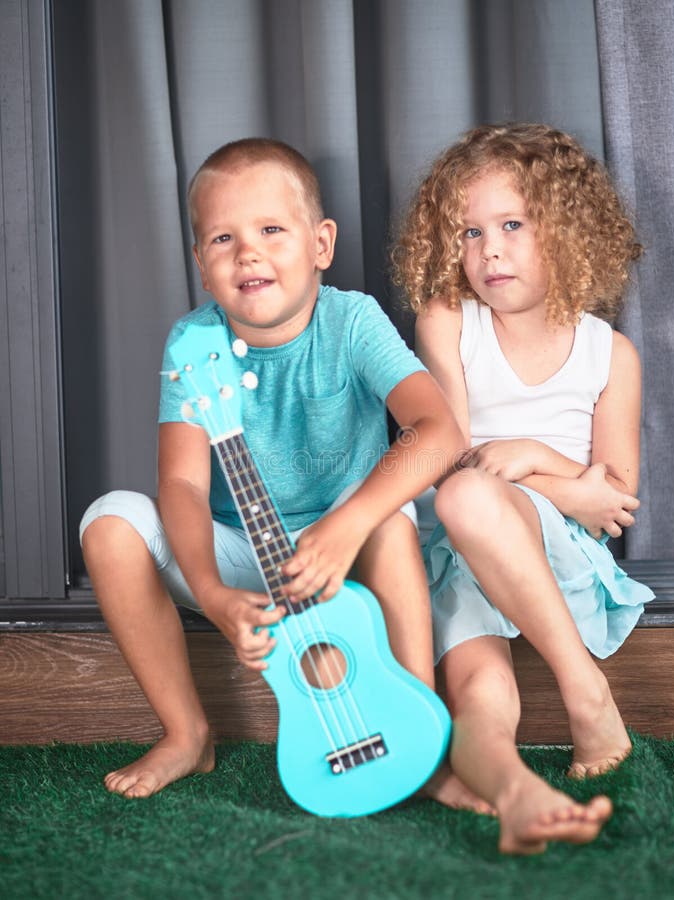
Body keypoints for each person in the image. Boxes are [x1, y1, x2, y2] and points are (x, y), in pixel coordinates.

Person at [79, 137, 471, 805]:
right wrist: (211, 591)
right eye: (223, 238)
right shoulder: (193, 344)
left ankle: (421, 739)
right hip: (243, 555)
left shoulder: (352, 320)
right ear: (202, 266)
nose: (247, 253)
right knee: (109, 522)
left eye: (270, 230)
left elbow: (441, 430)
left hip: (341, 552)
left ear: (321, 244)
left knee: (392, 520)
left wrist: (347, 527)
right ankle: (187, 734)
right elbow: (182, 484)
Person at [392, 122, 655, 854]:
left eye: (511, 225)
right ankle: (515, 793)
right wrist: (567, 483)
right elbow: (448, 454)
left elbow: (615, 498)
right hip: (458, 558)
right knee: (479, 700)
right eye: (469, 232)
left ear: (567, 231)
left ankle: (585, 692)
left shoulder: (611, 354)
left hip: (557, 555)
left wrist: (532, 458)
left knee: (469, 498)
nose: (489, 250)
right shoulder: (448, 321)